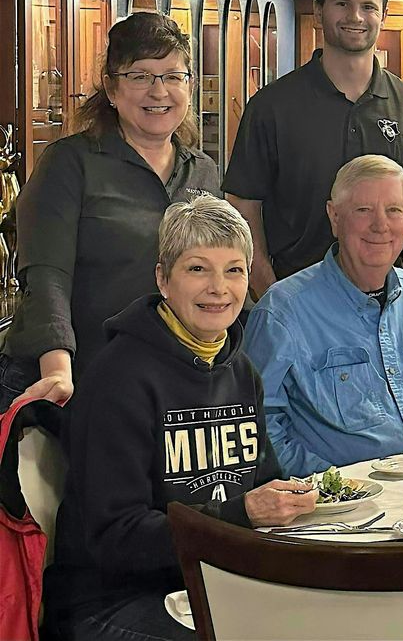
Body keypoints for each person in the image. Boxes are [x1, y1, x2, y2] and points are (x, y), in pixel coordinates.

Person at [44, 195, 317, 641]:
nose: (219, 287)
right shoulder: (118, 378)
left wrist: (288, 503)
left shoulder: (241, 371)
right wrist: (241, 514)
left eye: (234, 270)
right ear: (163, 279)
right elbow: (115, 535)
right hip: (113, 599)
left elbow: (264, 487)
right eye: (197, 269)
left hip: (214, 584)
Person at [0, 13, 220, 412]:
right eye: (140, 76)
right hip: (81, 378)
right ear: (112, 88)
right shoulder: (69, 163)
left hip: (168, 382)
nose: (159, 91)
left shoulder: (203, 170)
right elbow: (46, 275)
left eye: (173, 76)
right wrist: (57, 370)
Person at [223, 0, 403, 294]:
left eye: (368, 6)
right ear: (319, 11)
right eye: (342, 4)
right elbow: (243, 206)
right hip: (295, 293)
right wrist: (269, 294)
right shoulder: (271, 107)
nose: (355, 17)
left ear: (384, 15)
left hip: (387, 296)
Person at [243, 155, 403, 477]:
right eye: (363, 210)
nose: (380, 226)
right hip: (338, 510)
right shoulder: (282, 312)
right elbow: (259, 427)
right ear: (335, 217)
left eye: (393, 210)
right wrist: (332, 486)